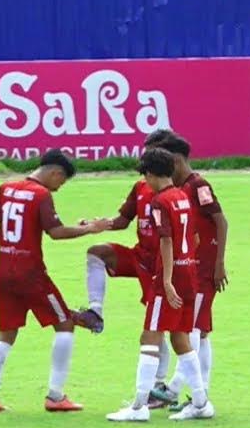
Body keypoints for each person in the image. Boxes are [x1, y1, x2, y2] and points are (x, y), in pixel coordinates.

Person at [0, 150, 110, 413]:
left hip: (3, 272)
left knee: (6, 333)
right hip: (31, 274)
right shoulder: (41, 195)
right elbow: (57, 233)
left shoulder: (6, 187)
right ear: (55, 173)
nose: (58, 188)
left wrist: (7, 244)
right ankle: (55, 396)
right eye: (61, 182)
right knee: (65, 324)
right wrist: (89, 229)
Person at [107, 148, 213, 422]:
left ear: (151, 174)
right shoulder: (182, 195)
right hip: (190, 270)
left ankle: (139, 406)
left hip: (171, 275)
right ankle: (201, 403)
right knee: (180, 337)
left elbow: (165, 240)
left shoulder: (159, 202)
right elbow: (195, 237)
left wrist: (166, 279)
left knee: (150, 336)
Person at [74, 129, 179, 405]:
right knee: (97, 253)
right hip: (139, 257)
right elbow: (123, 220)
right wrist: (99, 224)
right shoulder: (141, 186)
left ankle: (158, 386)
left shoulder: (173, 191)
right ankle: (95, 313)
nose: (145, 156)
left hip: (160, 265)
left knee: (157, 326)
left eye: (151, 150)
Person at [143, 134, 230, 414]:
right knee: (198, 331)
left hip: (203, 270)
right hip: (191, 268)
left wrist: (218, 263)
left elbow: (221, 220)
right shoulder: (179, 190)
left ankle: (182, 391)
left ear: (176, 160)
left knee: (194, 329)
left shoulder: (198, 185)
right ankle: (190, 392)